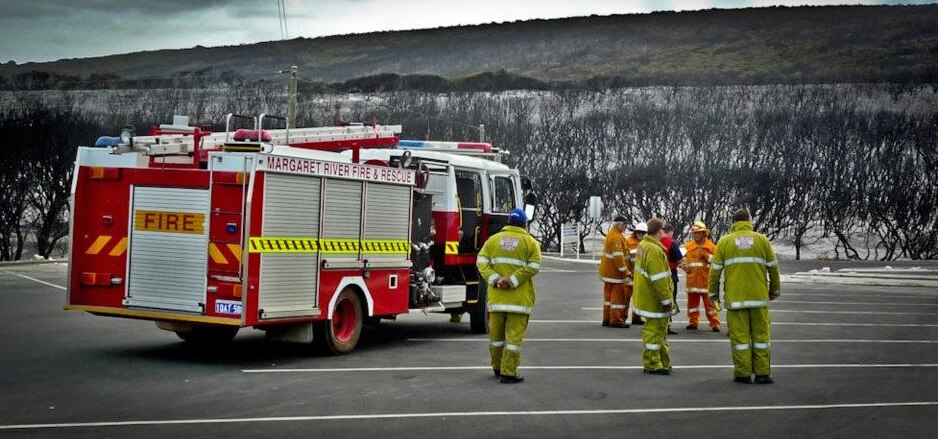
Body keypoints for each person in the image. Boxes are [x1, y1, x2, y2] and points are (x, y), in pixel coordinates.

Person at [709, 209, 781, 385]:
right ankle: (762, 374)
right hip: (759, 299)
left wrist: (713, 294)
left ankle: (743, 374)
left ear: (733, 222)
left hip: (735, 300)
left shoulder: (724, 242)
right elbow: (773, 268)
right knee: (761, 337)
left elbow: (715, 272)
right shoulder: (762, 240)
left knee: (740, 339)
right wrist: (774, 291)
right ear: (749, 221)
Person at [476, 208, 542, 384]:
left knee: (496, 338)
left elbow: (481, 262)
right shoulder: (530, 242)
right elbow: (534, 266)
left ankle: (497, 368)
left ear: (508, 222)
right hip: (519, 301)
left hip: (497, 299)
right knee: (513, 339)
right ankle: (508, 373)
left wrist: (496, 280)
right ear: (524, 224)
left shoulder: (493, 240)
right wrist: (511, 280)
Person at [632, 218, 675, 376]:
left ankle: (662, 361)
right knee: (654, 332)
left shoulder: (643, 245)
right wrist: (667, 301)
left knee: (659, 332)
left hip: (646, 297)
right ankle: (652, 363)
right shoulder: (654, 250)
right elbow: (658, 279)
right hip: (654, 300)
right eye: (663, 230)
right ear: (659, 232)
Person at [680, 221, 720, 332]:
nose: (695, 235)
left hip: (706, 281)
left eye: (697, 233)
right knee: (692, 305)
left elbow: (717, 261)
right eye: (694, 233)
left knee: (710, 305)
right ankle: (693, 322)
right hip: (692, 281)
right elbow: (680, 259)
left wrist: (706, 256)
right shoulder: (688, 246)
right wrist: (684, 266)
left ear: (703, 233)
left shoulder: (711, 247)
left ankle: (714, 323)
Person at [598, 216, 631, 327]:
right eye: (624, 224)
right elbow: (618, 257)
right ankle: (616, 319)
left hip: (608, 273)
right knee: (617, 299)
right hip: (616, 275)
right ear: (619, 224)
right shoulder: (616, 237)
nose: (626, 227)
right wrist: (626, 271)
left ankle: (607, 318)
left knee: (608, 298)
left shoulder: (611, 235)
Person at [661, 222, 685, 335]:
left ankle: (658, 323)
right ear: (669, 232)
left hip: (657, 276)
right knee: (670, 301)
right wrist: (689, 269)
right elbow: (680, 261)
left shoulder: (655, 242)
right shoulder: (672, 244)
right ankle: (667, 325)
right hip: (671, 275)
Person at [626, 222, 647, 326]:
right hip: (630, 274)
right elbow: (625, 259)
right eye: (639, 232)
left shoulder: (646, 244)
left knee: (638, 298)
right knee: (625, 297)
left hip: (640, 275)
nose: (640, 235)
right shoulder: (628, 242)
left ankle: (636, 317)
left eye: (643, 233)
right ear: (635, 232)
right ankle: (622, 317)